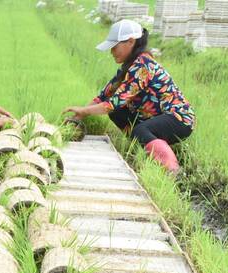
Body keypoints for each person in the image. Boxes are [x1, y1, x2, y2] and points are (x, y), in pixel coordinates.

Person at [63, 20, 194, 174]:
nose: (112, 51)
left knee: (139, 129)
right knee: (118, 113)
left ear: (131, 42)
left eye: (115, 46)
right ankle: (150, 147)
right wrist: (78, 117)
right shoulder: (128, 67)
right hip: (157, 117)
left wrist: (85, 111)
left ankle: (172, 170)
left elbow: (113, 103)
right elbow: (104, 97)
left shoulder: (143, 65)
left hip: (178, 118)